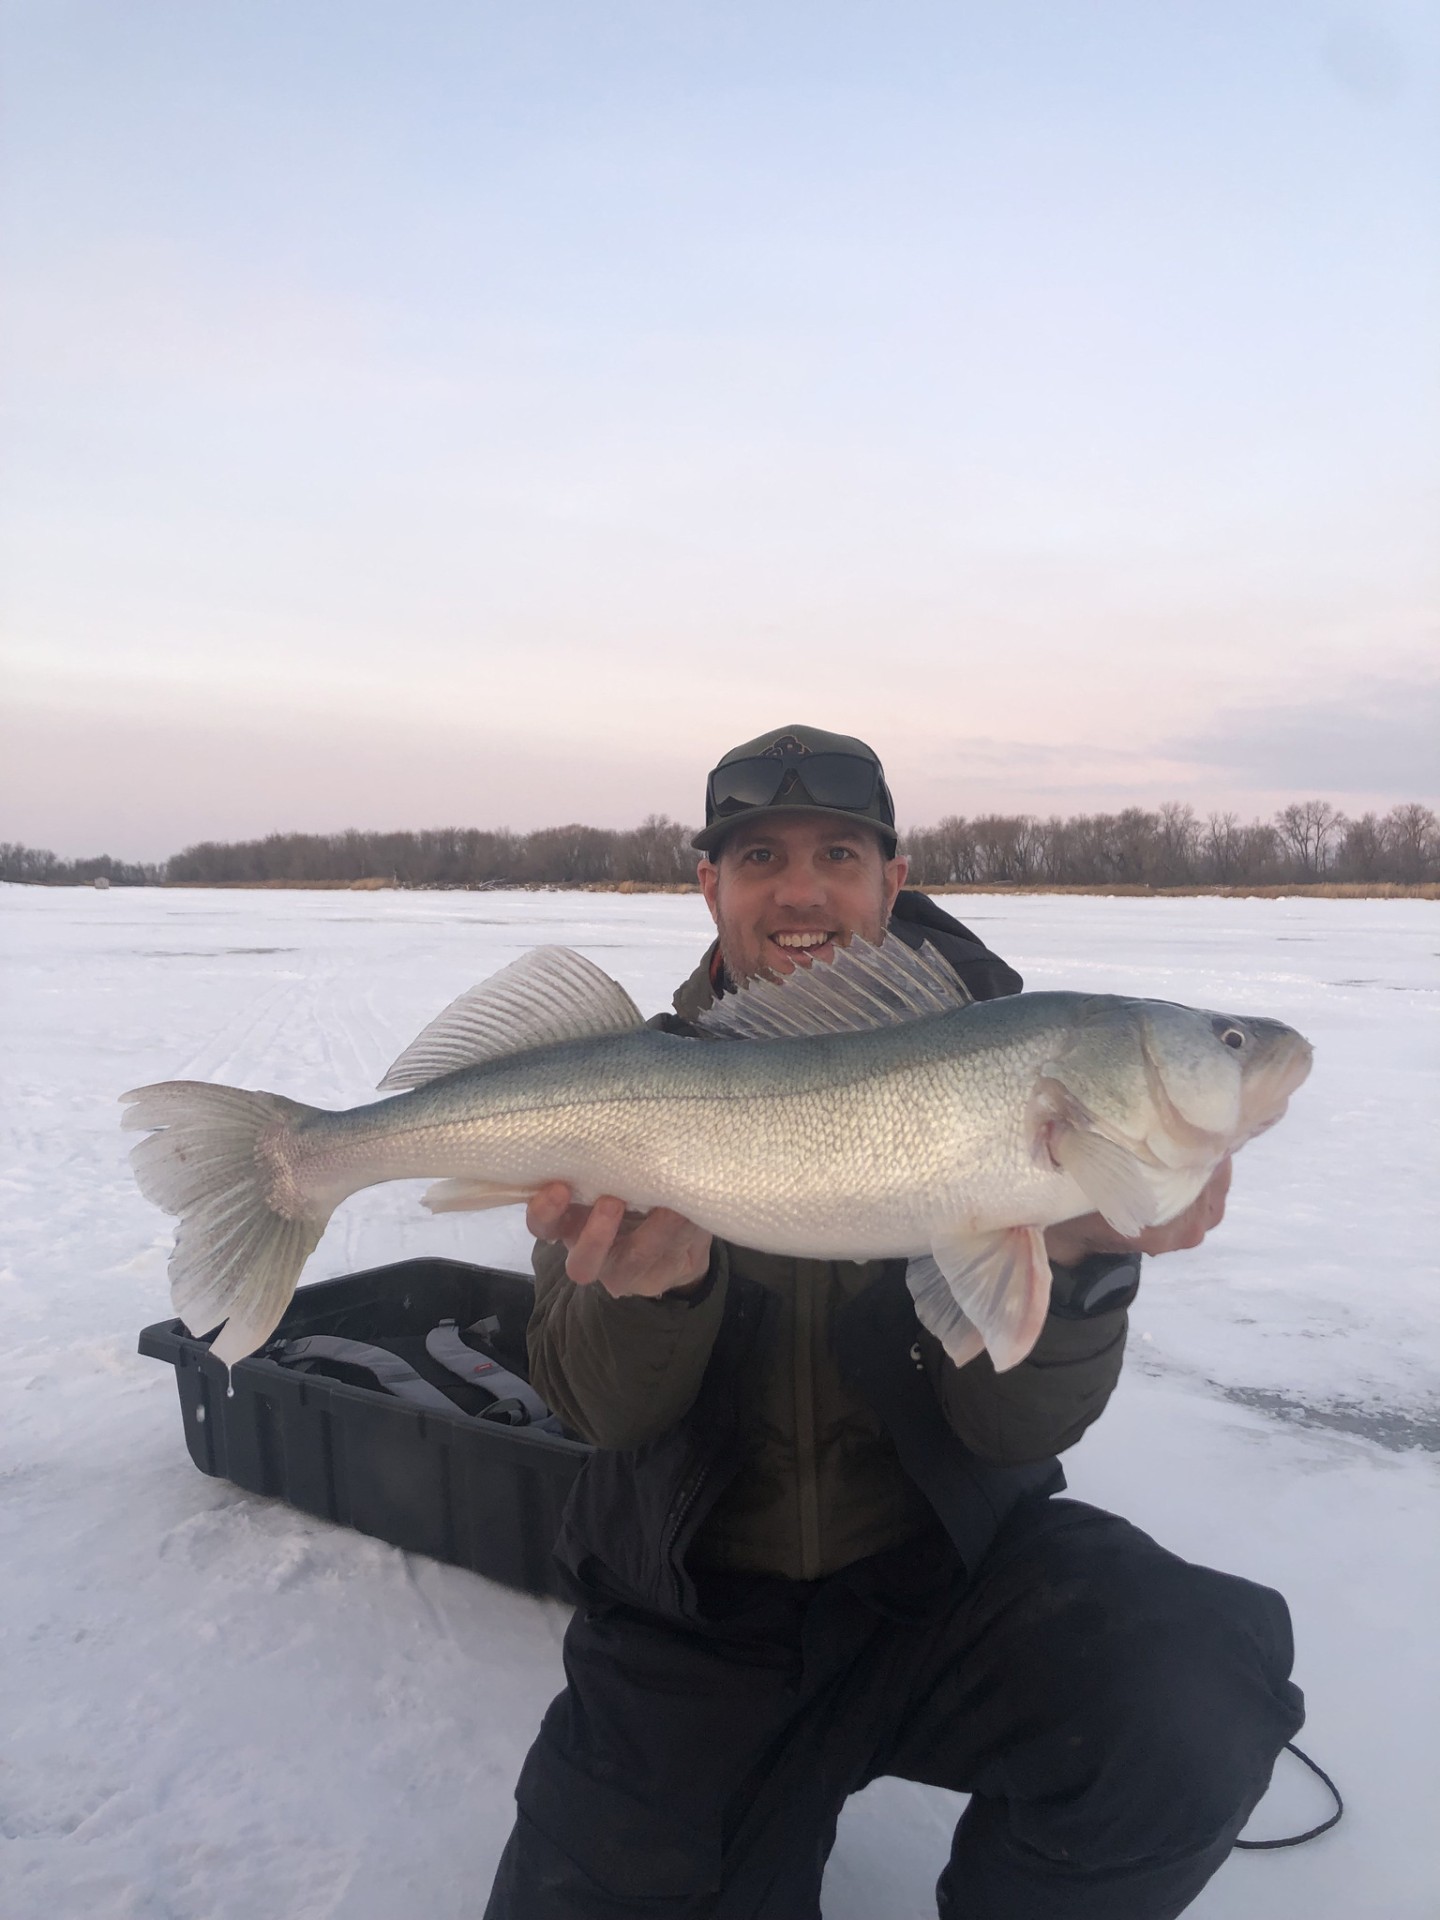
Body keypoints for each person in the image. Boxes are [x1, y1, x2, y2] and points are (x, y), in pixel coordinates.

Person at [484, 724, 1303, 1920]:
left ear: (893, 881)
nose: (802, 890)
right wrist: (655, 1296)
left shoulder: (1019, 1075)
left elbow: (1017, 1430)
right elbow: (599, 1408)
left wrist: (1075, 1270)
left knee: (1193, 1694)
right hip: (696, 1619)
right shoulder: (626, 1078)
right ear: (708, 885)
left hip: (942, 1584)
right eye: (759, 857)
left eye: (839, 856)